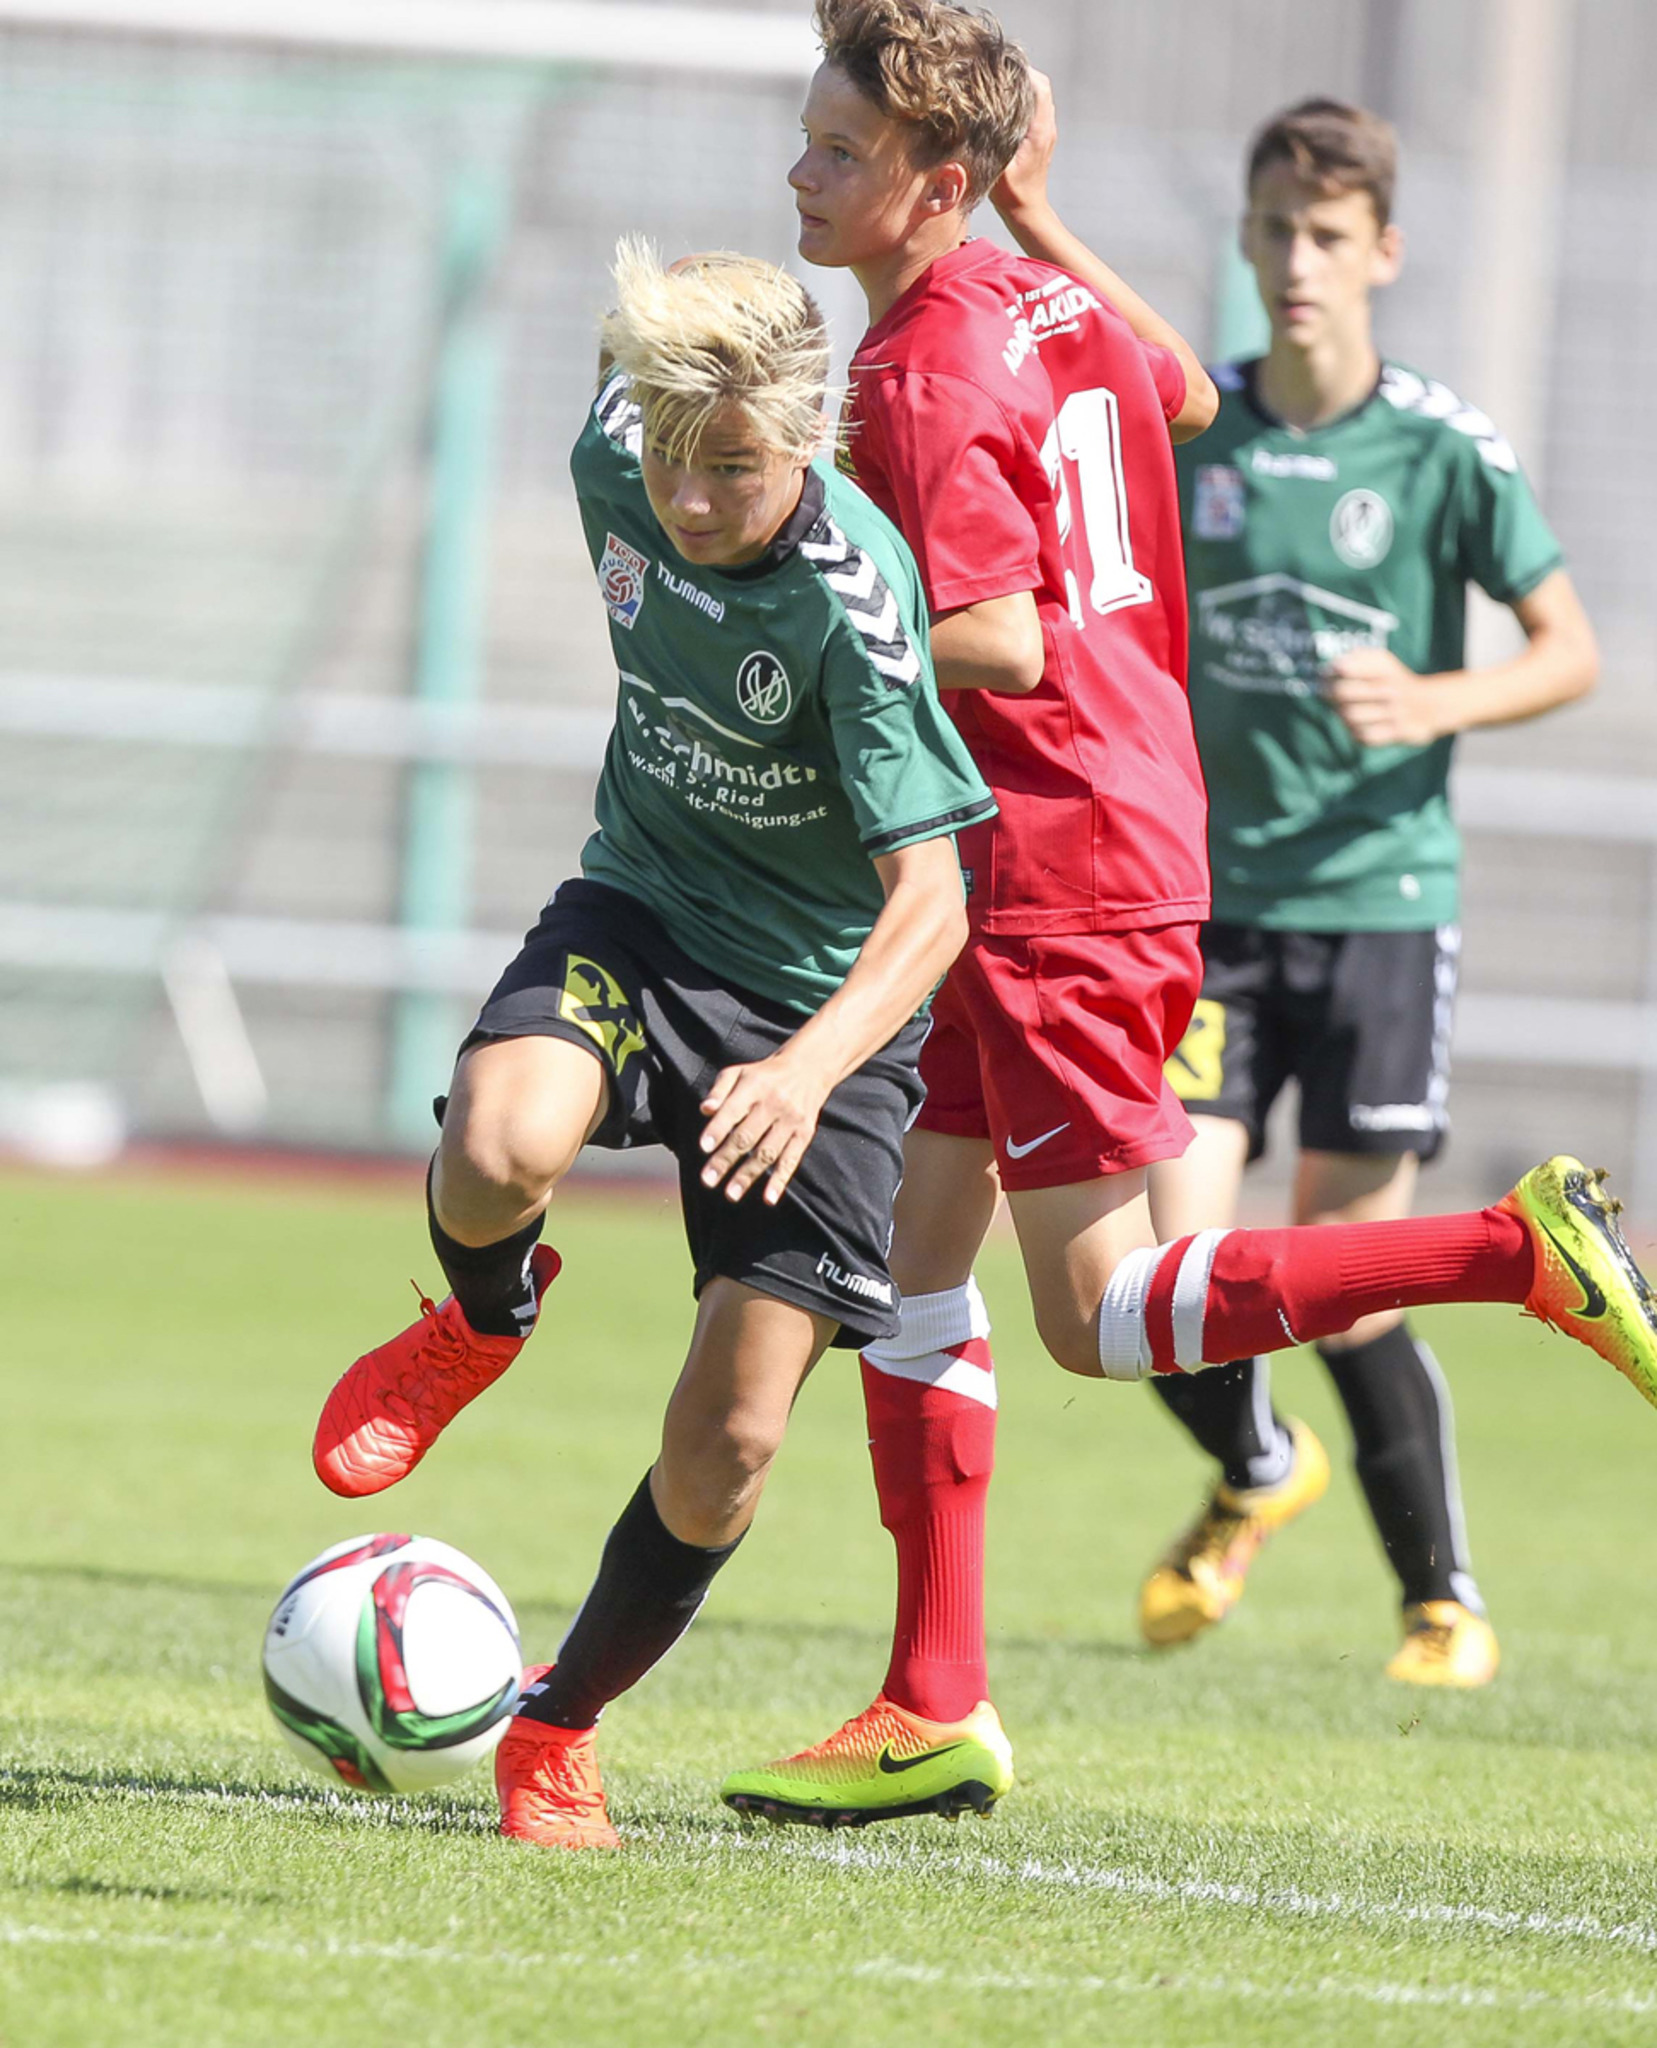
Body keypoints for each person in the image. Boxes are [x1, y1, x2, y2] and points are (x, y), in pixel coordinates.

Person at [718, 0, 1657, 1830]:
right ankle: (930, 1703)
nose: (799, 174)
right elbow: (1193, 395)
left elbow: (996, 635)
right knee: (910, 1265)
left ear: (936, 184)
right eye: (810, 137)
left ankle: (1512, 1255)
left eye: (840, 151)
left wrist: (783, 590)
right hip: (1072, 837)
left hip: (1055, 858)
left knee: (1097, 1320)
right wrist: (1042, 219)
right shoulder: (1036, 298)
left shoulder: (916, 370)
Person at [310, 241, 999, 1849]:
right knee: (496, 1149)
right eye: (674, 454)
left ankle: (555, 1728)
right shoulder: (614, 451)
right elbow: (647, 364)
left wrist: (804, 1070)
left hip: (822, 1010)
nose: (689, 498)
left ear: (810, 437)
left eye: (734, 466)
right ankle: (483, 1319)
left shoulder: (854, 603)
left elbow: (934, 906)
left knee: (731, 1442)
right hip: (643, 913)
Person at [1139, 98, 1600, 1687]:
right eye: (1274, 230)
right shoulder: (1196, 432)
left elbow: (1567, 649)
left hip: (1381, 909)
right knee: (1161, 1276)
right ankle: (1260, 1468)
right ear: (1245, 236)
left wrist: (1433, 699)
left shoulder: (1439, 446)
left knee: (1343, 1287)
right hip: (1206, 917)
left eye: (1327, 235)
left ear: (1382, 251)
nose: (1296, 262)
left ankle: (1439, 1601)